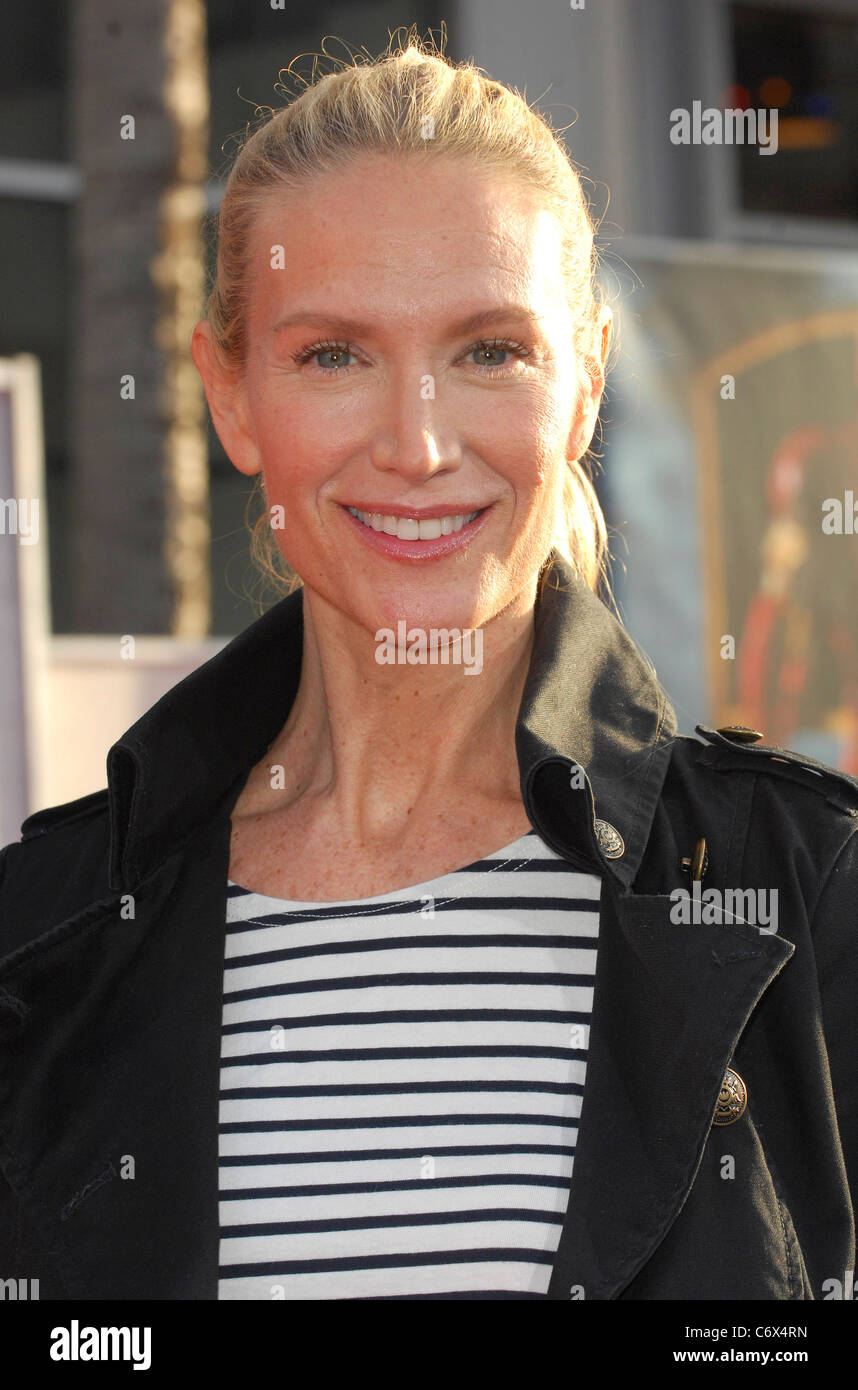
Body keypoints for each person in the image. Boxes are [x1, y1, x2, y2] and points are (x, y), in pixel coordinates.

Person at [0, 29, 856, 1302]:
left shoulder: (807, 889)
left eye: (490, 351)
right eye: (334, 353)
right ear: (232, 397)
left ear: (585, 385)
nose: (417, 442)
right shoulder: (42, 935)